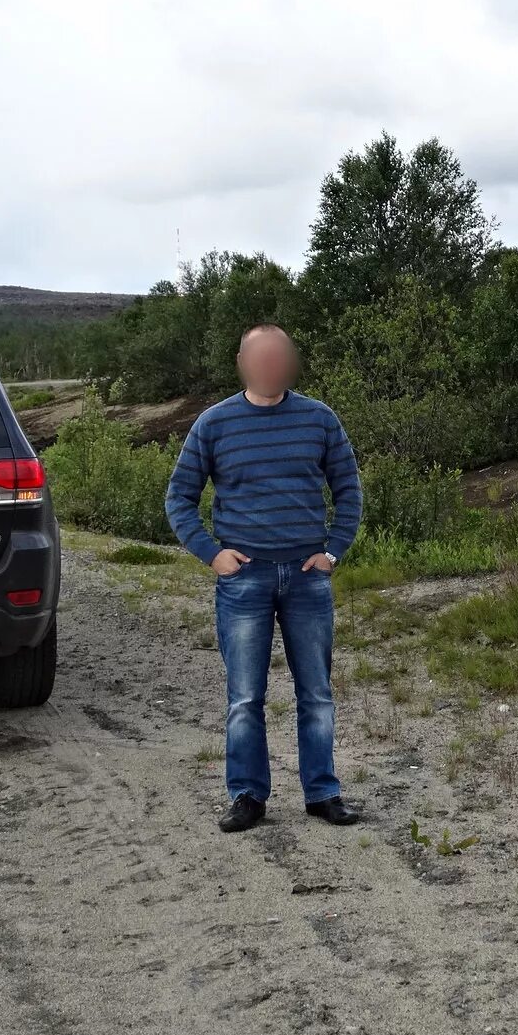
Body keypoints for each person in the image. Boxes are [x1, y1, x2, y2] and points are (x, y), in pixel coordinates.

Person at [164, 324, 364, 832]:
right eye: (260, 357)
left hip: (306, 577)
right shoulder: (213, 424)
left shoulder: (320, 419)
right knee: (245, 697)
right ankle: (248, 796)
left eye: (279, 357)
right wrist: (212, 554)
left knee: (316, 693)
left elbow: (349, 491)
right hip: (244, 579)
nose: (270, 366)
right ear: (242, 361)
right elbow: (179, 498)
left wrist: (333, 552)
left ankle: (323, 793)